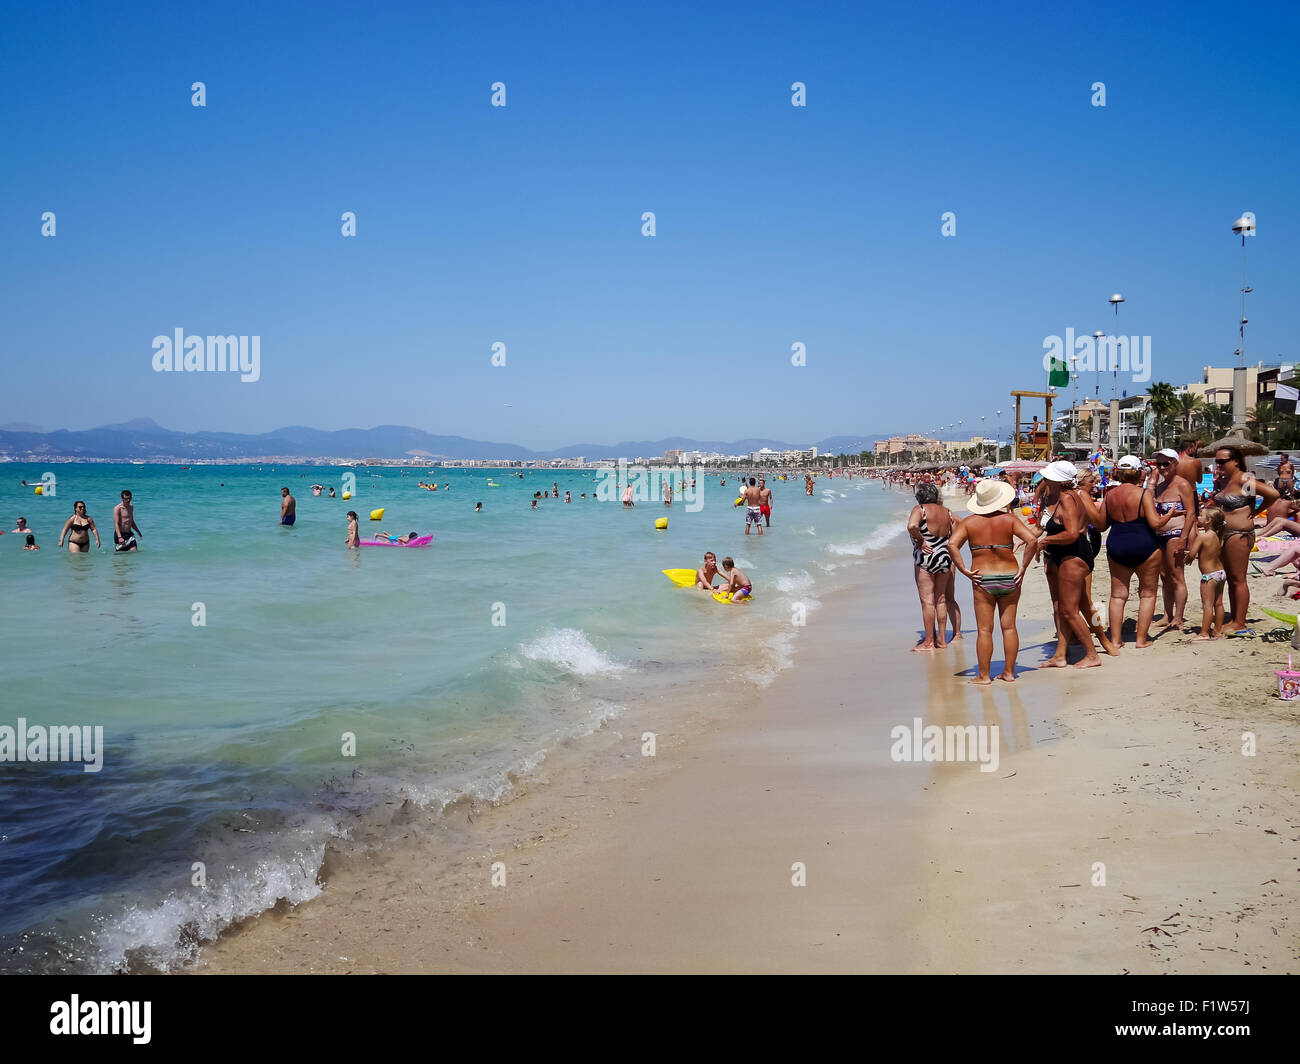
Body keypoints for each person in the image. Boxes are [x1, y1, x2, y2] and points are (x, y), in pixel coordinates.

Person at [949, 478, 1038, 683]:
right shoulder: (1009, 520)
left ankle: (984, 675)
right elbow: (1032, 540)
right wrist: (1023, 567)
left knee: (984, 629)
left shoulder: (970, 522)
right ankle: (1008, 672)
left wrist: (963, 569)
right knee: (1009, 627)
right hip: (1010, 575)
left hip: (982, 578)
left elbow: (952, 545)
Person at [1099, 455, 1172, 648]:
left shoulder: (1110, 495)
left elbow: (1101, 525)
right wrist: (1170, 515)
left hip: (1117, 543)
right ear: (1139, 473)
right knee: (1147, 594)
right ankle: (1141, 639)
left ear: (1118, 473)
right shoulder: (1143, 494)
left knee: (1117, 595)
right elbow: (1155, 523)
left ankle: (1115, 640)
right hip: (1144, 543)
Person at [1036, 461, 1101, 668]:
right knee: (1065, 607)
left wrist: (1046, 541)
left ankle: (1092, 654)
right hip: (1067, 554)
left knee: (1069, 610)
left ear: (1058, 480)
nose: (1044, 480)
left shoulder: (1066, 499)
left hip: (1074, 554)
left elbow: (1072, 534)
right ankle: (1060, 655)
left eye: (1047, 477)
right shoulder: (1072, 495)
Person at [1210, 444, 1279, 634]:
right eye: (1217, 461)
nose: (1219, 464)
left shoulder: (1244, 479)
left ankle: (1239, 621)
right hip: (1224, 533)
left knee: (1238, 578)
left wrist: (1256, 511)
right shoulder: (1224, 480)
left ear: (1236, 461)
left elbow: (1273, 494)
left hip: (1239, 535)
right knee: (1231, 578)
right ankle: (1235, 617)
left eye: (1223, 461)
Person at [1150, 449, 1197, 631]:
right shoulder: (1160, 486)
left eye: (1166, 464)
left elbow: (1191, 512)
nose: (1162, 468)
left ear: (1175, 463)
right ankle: (1167, 614)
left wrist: (1185, 538)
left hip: (1175, 533)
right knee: (1164, 576)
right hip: (1159, 535)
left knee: (1177, 576)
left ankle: (1178, 616)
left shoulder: (1182, 485)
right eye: (1158, 464)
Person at [906, 483, 955, 651]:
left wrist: (921, 540)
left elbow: (912, 526)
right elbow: (961, 525)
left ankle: (928, 642)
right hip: (945, 556)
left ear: (920, 496)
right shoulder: (946, 512)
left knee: (927, 601)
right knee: (941, 600)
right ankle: (941, 639)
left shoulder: (920, 510)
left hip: (926, 557)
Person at [1188, 506, 1227, 639]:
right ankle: (1218, 630)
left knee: (1207, 605)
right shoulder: (1218, 535)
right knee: (1219, 603)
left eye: (1201, 516)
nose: (1198, 517)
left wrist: (1187, 558)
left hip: (1209, 576)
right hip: (1221, 573)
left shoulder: (1202, 537)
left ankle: (1204, 633)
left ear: (1208, 521)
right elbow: (1208, 553)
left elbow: (1193, 553)